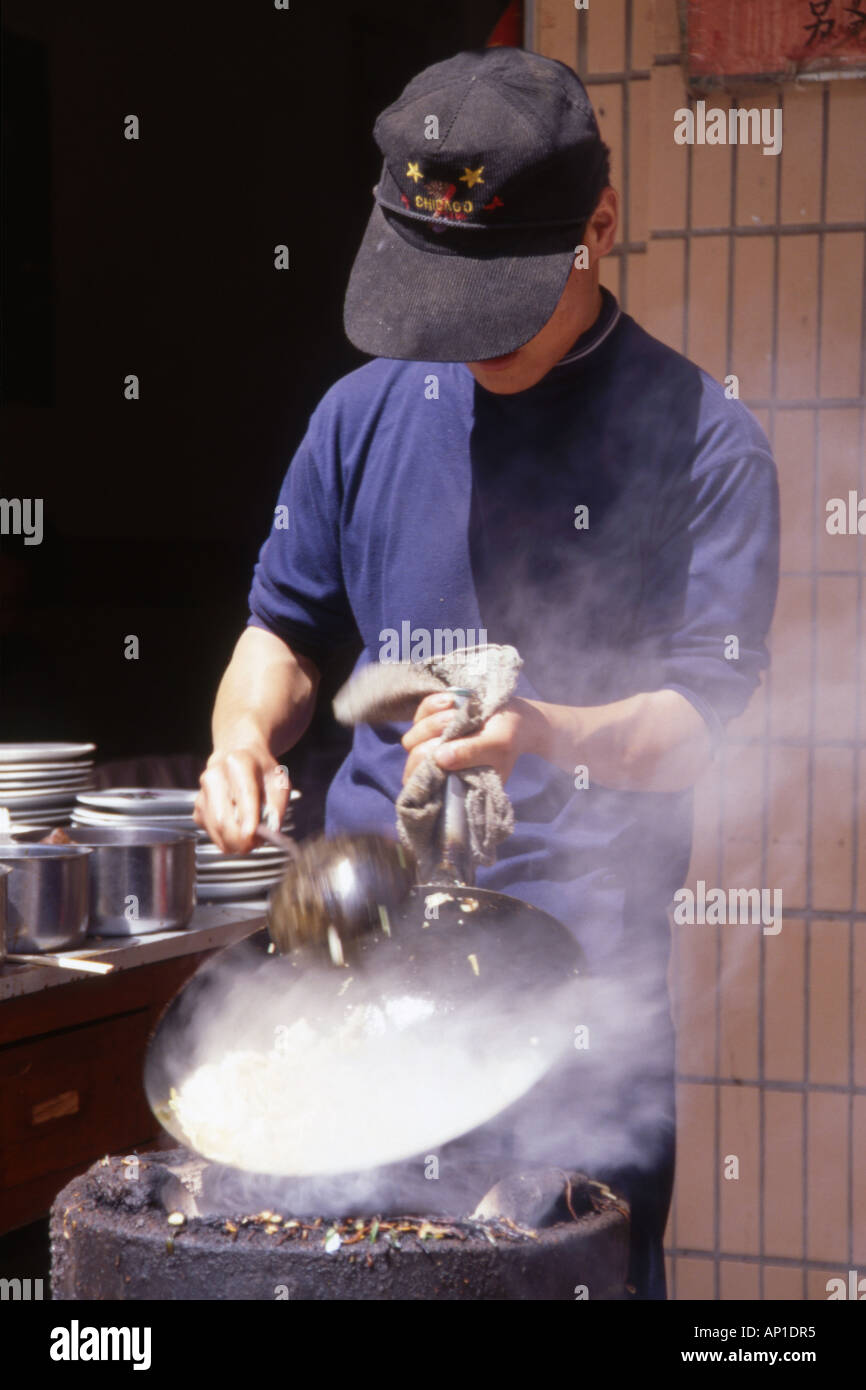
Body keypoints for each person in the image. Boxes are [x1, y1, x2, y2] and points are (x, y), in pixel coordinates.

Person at [194, 47, 779, 1299]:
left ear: (600, 227)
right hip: (354, 968)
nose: (458, 343)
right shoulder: (359, 417)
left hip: (573, 1003)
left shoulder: (703, 443)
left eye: (492, 299)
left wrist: (548, 729)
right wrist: (242, 735)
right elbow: (281, 632)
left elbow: (697, 723)